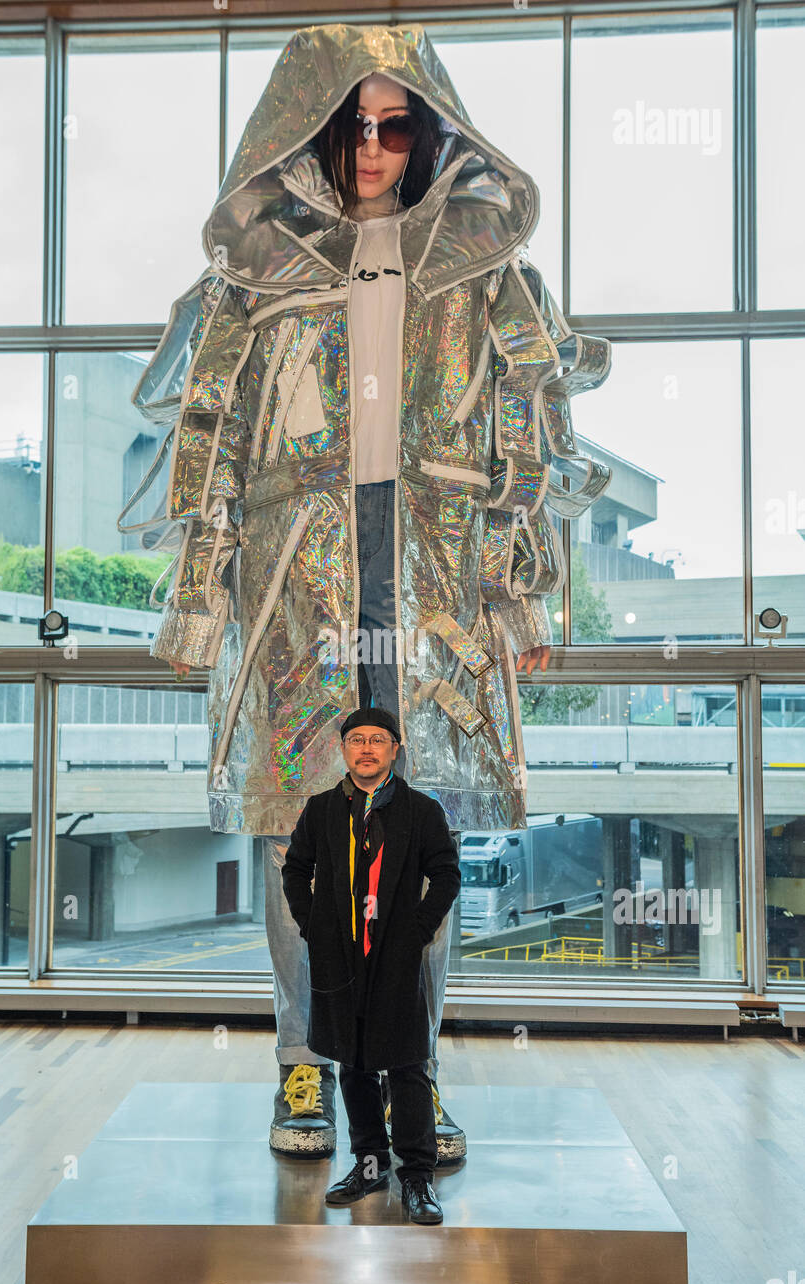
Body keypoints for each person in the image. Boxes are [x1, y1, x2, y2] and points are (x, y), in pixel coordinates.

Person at [118, 24, 612, 1162]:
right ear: (316, 129)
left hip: (428, 566)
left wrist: (519, 596)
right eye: (356, 123)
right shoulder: (255, 271)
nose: (378, 146)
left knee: (417, 826)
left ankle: (411, 1071)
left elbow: (526, 434)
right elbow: (211, 438)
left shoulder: (486, 265)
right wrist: (200, 598)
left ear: (428, 129)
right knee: (299, 821)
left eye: (398, 123)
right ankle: (304, 1064)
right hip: (296, 564)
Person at [281, 706, 461, 1224]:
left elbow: (446, 875)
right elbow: (296, 870)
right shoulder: (321, 810)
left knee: (406, 1065)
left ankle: (418, 1178)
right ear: (343, 749)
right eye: (356, 739)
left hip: (395, 958)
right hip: (340, 956)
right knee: (353, 1062)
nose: (366, 748)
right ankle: (368, 1164)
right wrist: (312, 926)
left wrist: (416, 932)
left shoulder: (422, 811)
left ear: (394, 750)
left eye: (377, 740)